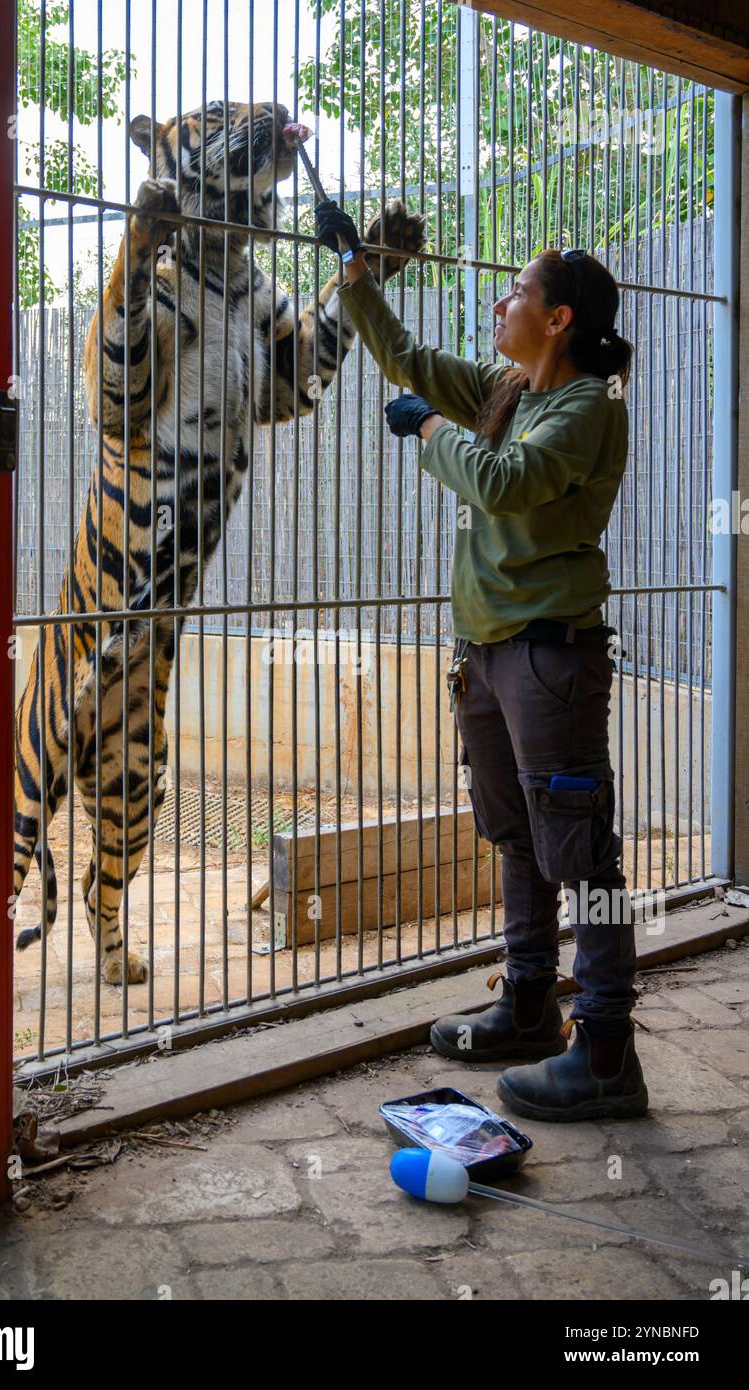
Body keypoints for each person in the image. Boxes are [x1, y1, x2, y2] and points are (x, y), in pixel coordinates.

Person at [315, 198, 647, 1122]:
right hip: (490, 656)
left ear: (560, 318)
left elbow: (502, 482)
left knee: (583, 856)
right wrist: (356, 271)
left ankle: (609, 1051)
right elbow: (411, 362)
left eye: (516, 293)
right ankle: (529, 1009)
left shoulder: (587, 404)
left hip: (550, 657)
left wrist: (426, 429)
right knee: (518, 840)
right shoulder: (514, 391)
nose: (500, 304)